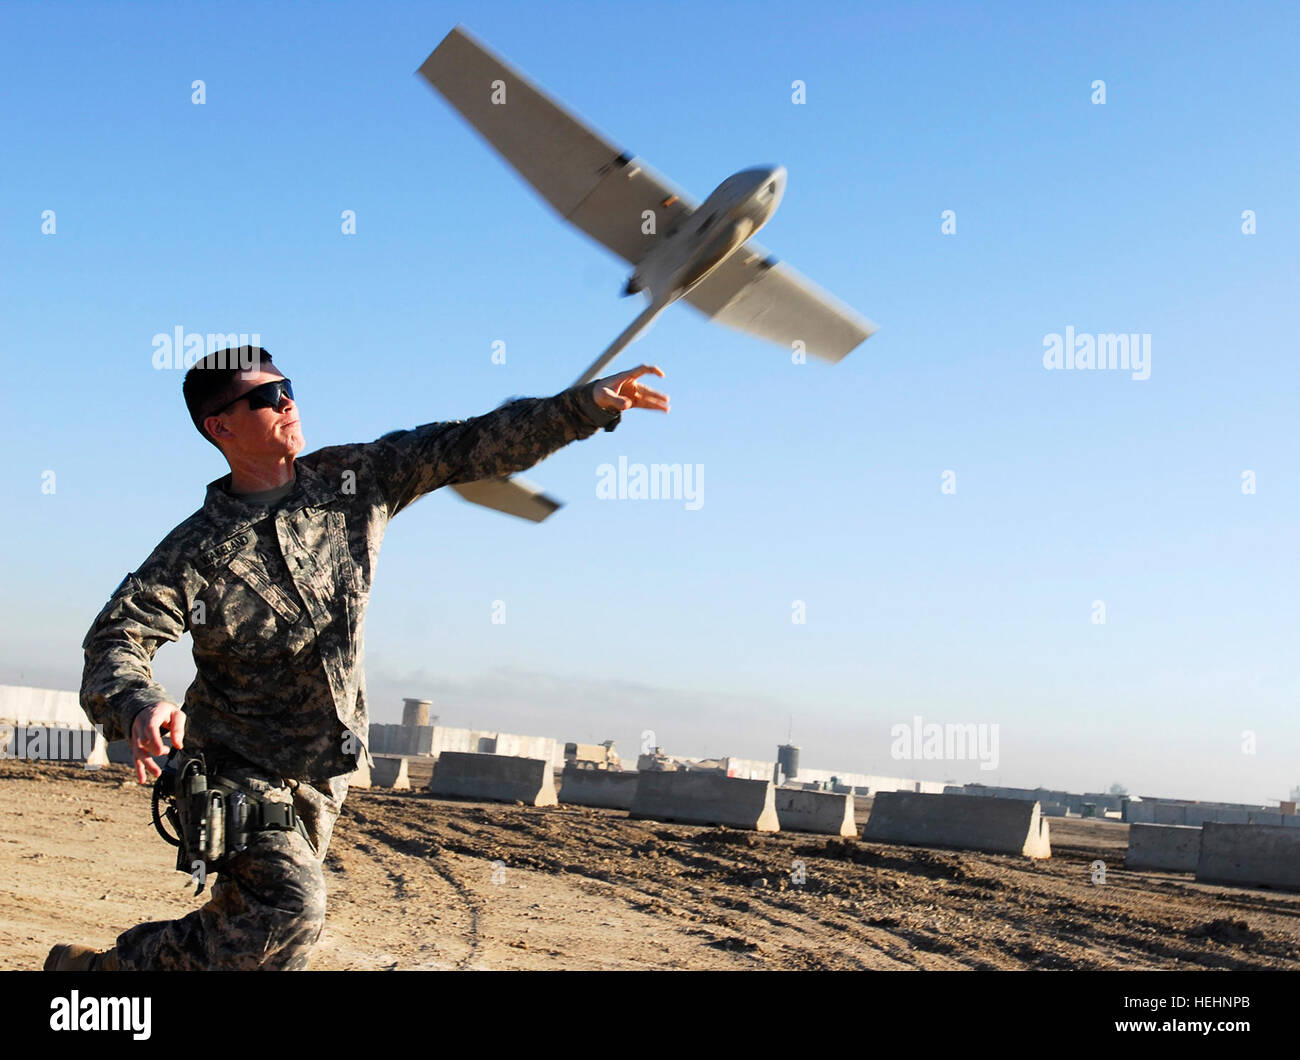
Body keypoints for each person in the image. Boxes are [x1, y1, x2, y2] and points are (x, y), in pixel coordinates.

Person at [46, 345, 668, 971]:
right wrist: (138, 704)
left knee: (250, 934)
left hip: (325, 773)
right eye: (264, 397)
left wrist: (581, 408)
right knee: (292, 908)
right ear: (221, 427)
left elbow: (465, 446)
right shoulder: (197, 549)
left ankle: (102, 973)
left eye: (287, 387)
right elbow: (117, 637)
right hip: (235, 768)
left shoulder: (353, 482)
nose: (286, 402)